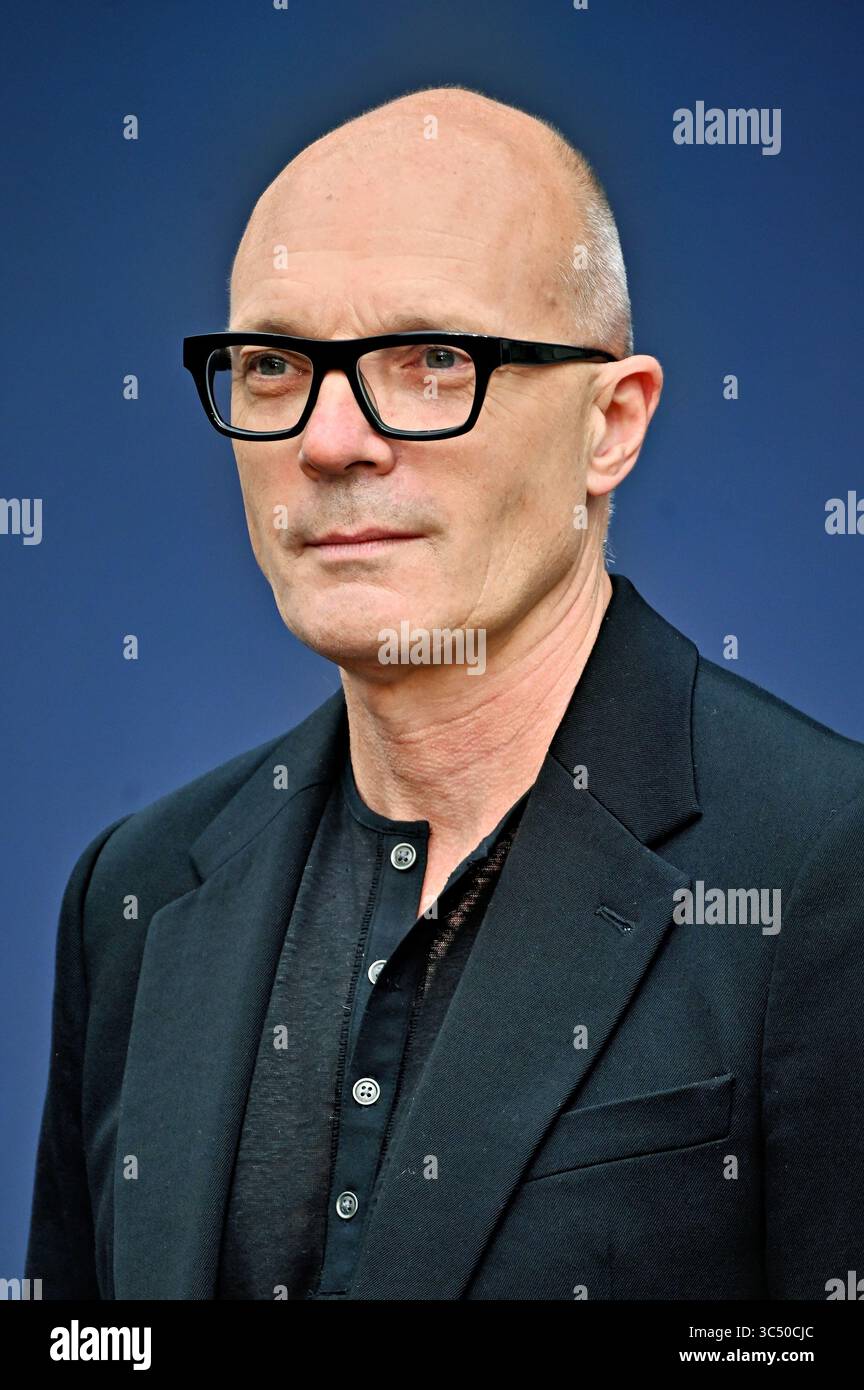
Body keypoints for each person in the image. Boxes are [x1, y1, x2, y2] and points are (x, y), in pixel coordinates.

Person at [25, 85, 864, 1300]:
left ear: (610, 425)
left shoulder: (826, 869)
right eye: (273, 364)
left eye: (430, 360)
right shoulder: (136, 893)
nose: (329, 439)